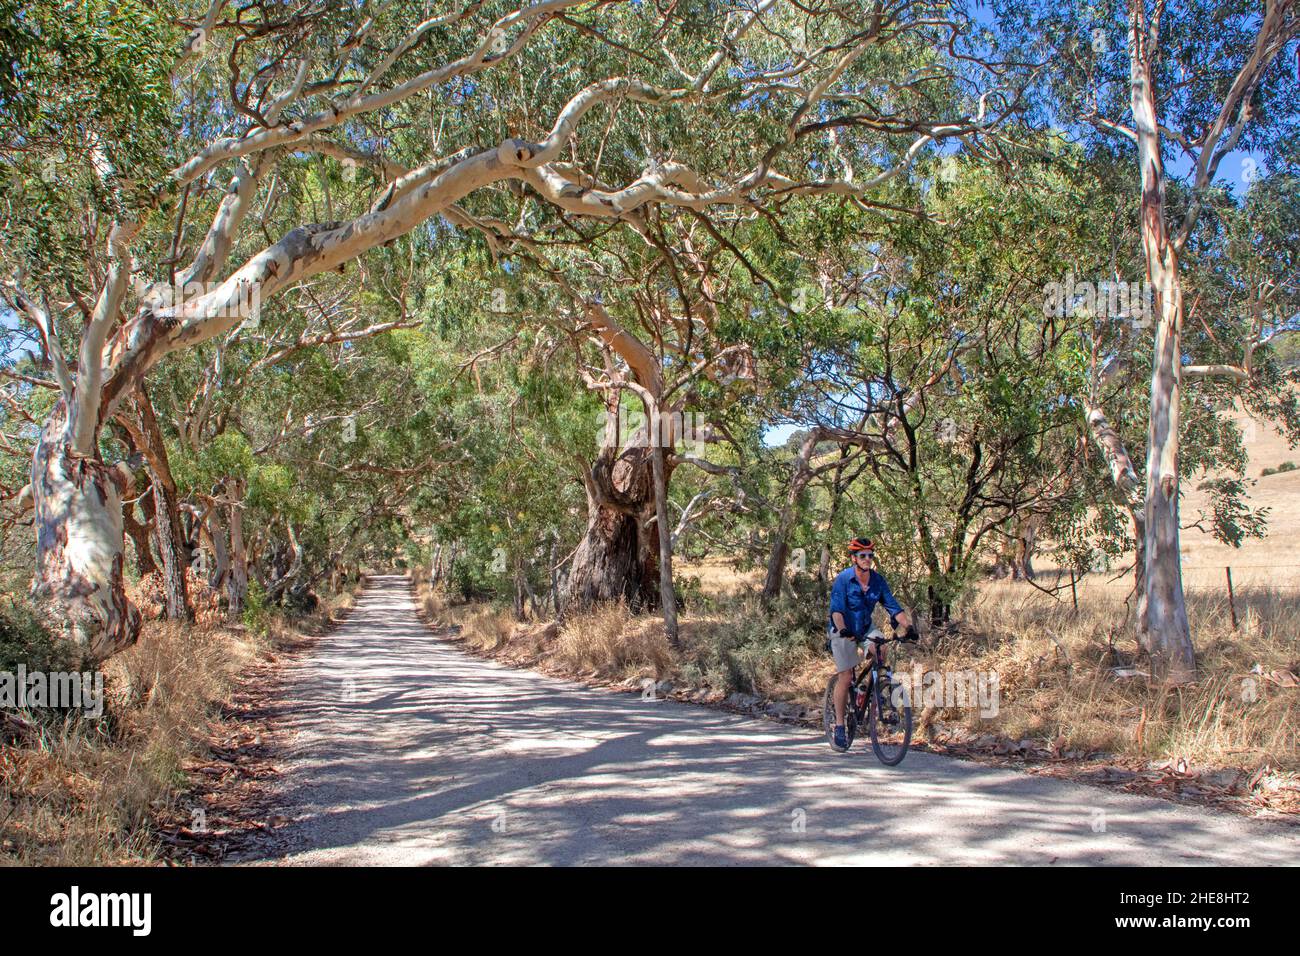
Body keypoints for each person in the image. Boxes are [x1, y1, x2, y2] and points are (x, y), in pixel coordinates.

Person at [826, 536, 915, 752]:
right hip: (843, 629)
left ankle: (875, 687)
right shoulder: (844, 579)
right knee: (846, 676)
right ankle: (839, 725)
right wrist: (843, 629)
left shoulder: (877, 580)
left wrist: (909, 627)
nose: (867, 559)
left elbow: (893, 607)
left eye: (870, 556)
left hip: (865, 628)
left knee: (881, 646)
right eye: (862, 556)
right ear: (854, 558)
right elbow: (836, 611)